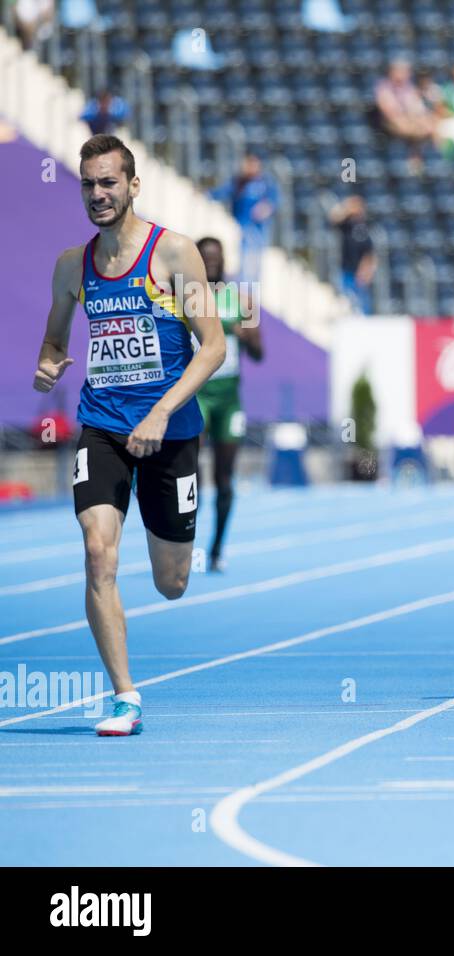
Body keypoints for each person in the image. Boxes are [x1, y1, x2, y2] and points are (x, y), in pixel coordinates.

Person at [32, 134, 225, 735]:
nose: (98, 194)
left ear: (133, 185)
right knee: (96, 552)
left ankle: (170, 533)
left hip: (169, 431)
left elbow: (213, 347)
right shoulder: (72, 266)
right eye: (89, 183)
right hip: (104, 428)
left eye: (109, 182)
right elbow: (55, 342)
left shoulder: (176, 254)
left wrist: (162, 412)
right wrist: (46, 366)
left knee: (171, 583)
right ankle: (125, 697)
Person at [195, 237, 263, 572]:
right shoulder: (187, 298)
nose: (210, 262)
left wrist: (248, 333)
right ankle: (182, 544)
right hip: (196, 393)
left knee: (224, 478)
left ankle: (217, 549)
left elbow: (259, 355)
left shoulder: (240, 300)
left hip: (229, 399)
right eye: (204, 257)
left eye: (215, 258)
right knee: (189, 472)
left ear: (224, 262)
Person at [208, 152, 278, 282]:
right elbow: (221, 192)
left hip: (257, 232)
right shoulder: (238, 183)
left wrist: (266, 208)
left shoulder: (265, 184)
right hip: (241, 228)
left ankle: (251, 291)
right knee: (241, 261)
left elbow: (273, 202)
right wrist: (207, 194)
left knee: (254, 263)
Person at [373, 58, 441, 173]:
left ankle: (431, 160)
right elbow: (390, 112)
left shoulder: (408, 87)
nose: (403, 75)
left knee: (432, 126)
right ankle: (413, 161)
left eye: (405, 72)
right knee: (409, 127)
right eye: (400, 71)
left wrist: (421, 121)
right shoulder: (384, 87)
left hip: (409, 120)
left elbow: (414, 108)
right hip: (391, 122)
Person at [328, 195, 376, 314]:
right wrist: (345, 207)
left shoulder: (365, 227)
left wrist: (366, 272)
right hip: (345, 269)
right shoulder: (346, 225)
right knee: (346, 300)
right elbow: (333, 218)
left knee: (362, 303)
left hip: (359, 273)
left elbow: (369, 253)